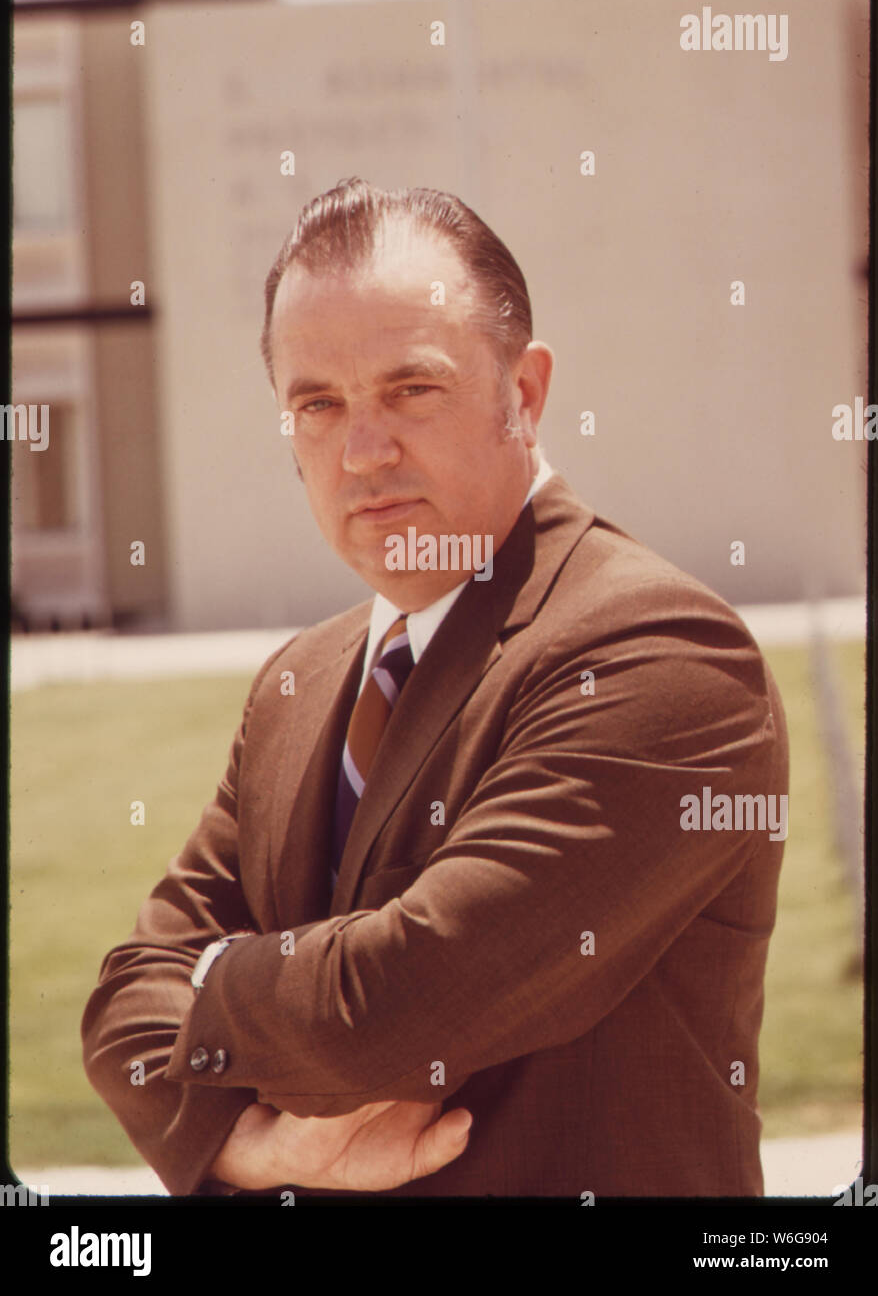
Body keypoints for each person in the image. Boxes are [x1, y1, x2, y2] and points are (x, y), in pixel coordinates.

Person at [82, 177, 788, 1198]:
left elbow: (393, 1005)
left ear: (525, 393)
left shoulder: (658, 653)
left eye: (411, 388)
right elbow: (117, 1007)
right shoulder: (300, 682)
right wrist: (242, 1147)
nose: (363, 452)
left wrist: (205, 982)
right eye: (316, 405)